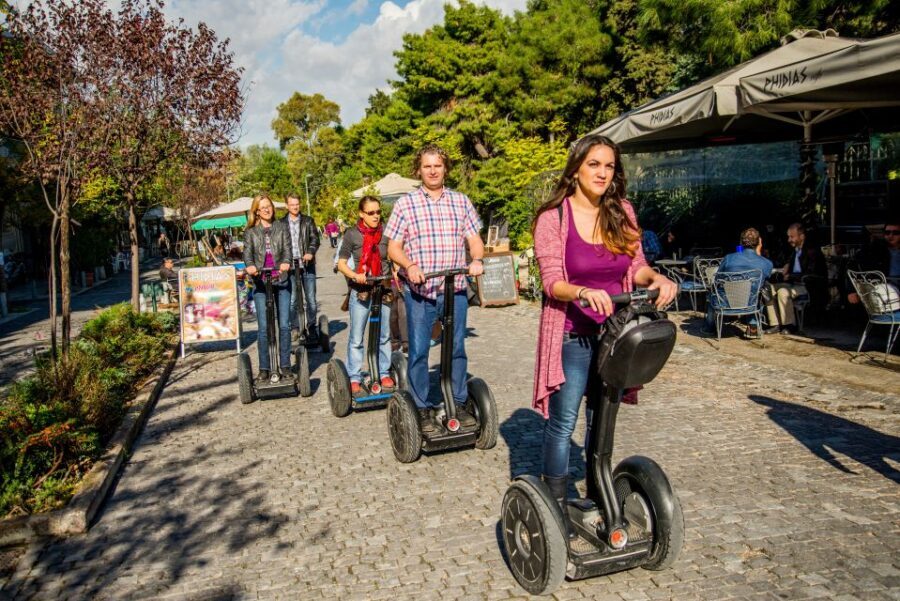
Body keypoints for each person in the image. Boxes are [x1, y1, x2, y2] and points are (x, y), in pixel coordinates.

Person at [531, 134, 677, 530]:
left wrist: (657, 278)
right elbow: (551, 282)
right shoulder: (553, 217)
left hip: (616, 333)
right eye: (594, 164)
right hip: (571, 333)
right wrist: (582, 292)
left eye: (609, 166)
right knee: (563, 422)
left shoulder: (622, 211)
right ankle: (556, 507)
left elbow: (637, 267)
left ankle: (597, 495)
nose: (601, 172)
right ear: (576, 167)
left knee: (602, 418)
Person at [385, 143, 485, 428]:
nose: (432, 170)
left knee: (456, 348)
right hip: (421, 292)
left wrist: (476, 258)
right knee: (418, 351)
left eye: (437, 165)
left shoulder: (460, 201)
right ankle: (421, 407)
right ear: (419, 169)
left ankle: (458, 401)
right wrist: (409, 266)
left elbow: (474, 239)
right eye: (427, 166)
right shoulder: (406, 204)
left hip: (454, 291)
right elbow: (393, 248)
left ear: (445, 168)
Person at [336, 195, 395, 395]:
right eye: (371, 213)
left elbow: (394, 256)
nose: (376, 216)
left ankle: (384, 371)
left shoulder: (387, 231)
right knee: (357, 337)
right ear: (362, 214)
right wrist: (355, 275)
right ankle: (354, 376)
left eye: (378, 212)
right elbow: (341, 264)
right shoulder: (352, 234)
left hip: (383, 288)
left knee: (385, 335)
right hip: (361, 291)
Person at [243, 194, 292, 381]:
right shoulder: (250, 232)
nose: (266, 209)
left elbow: (288, 249)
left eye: (269, 206)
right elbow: (247, 253)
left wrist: (286, 262)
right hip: (261, 282)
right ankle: (264, 368)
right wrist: (250, 265)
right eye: (262, 207)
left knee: (284, 326)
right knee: (264, 328)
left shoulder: (282, 227)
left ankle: (285, 365)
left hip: (281, 279)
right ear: (256, 211)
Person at [703, 228, 773, 337]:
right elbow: (766, 278)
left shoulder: (729, 258)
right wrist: (758, 253)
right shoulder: (767, 263)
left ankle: (709, 328)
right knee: (757, 289)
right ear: (759, 242)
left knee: (712, 292)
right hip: (750, 305)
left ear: (741, 242)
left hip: (726, 303)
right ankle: (753, 327)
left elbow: (717, 279)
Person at [765, 223, 827, 333]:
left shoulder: (812, 251)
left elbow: (812, 273)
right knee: (768, 289)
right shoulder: (795, 251)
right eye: (788, 236)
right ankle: (775, 323)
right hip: (793, 283)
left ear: (802, 236)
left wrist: (791, 276)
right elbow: (792, 264)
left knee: (783, 292)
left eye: (792, 236)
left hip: (807, 285)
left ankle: (789, 324)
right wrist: (787, 265)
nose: (789, 239)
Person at [281, 193, 321, 342]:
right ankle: (295, 328)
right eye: (292, 204)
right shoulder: (281, 223)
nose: (295, 207)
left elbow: (315, 239)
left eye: (297, 204)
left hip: (307, 266)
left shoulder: (308, 221)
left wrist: (310, 252)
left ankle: (311, 326)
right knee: (292, 300)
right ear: (287, 206)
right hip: (290, 267)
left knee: (310, 299)